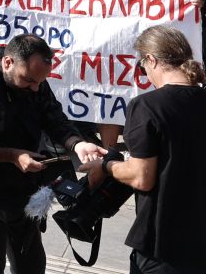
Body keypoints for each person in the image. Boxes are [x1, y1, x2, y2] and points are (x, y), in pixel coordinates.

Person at [0, 34, 107, 274]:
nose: (35, 88)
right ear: (8, 63)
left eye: (40, 82)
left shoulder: (35, 80)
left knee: (31, 265)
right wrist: (12, 156)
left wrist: (77, 145)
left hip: (24, 191)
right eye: (28, 81)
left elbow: (54, 118)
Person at [80, 26, 206, 274]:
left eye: (142, 66)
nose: (145, 73)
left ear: (151, 59)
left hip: (163, 244)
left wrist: (105, 165)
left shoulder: (147, 106)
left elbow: (141, 177)